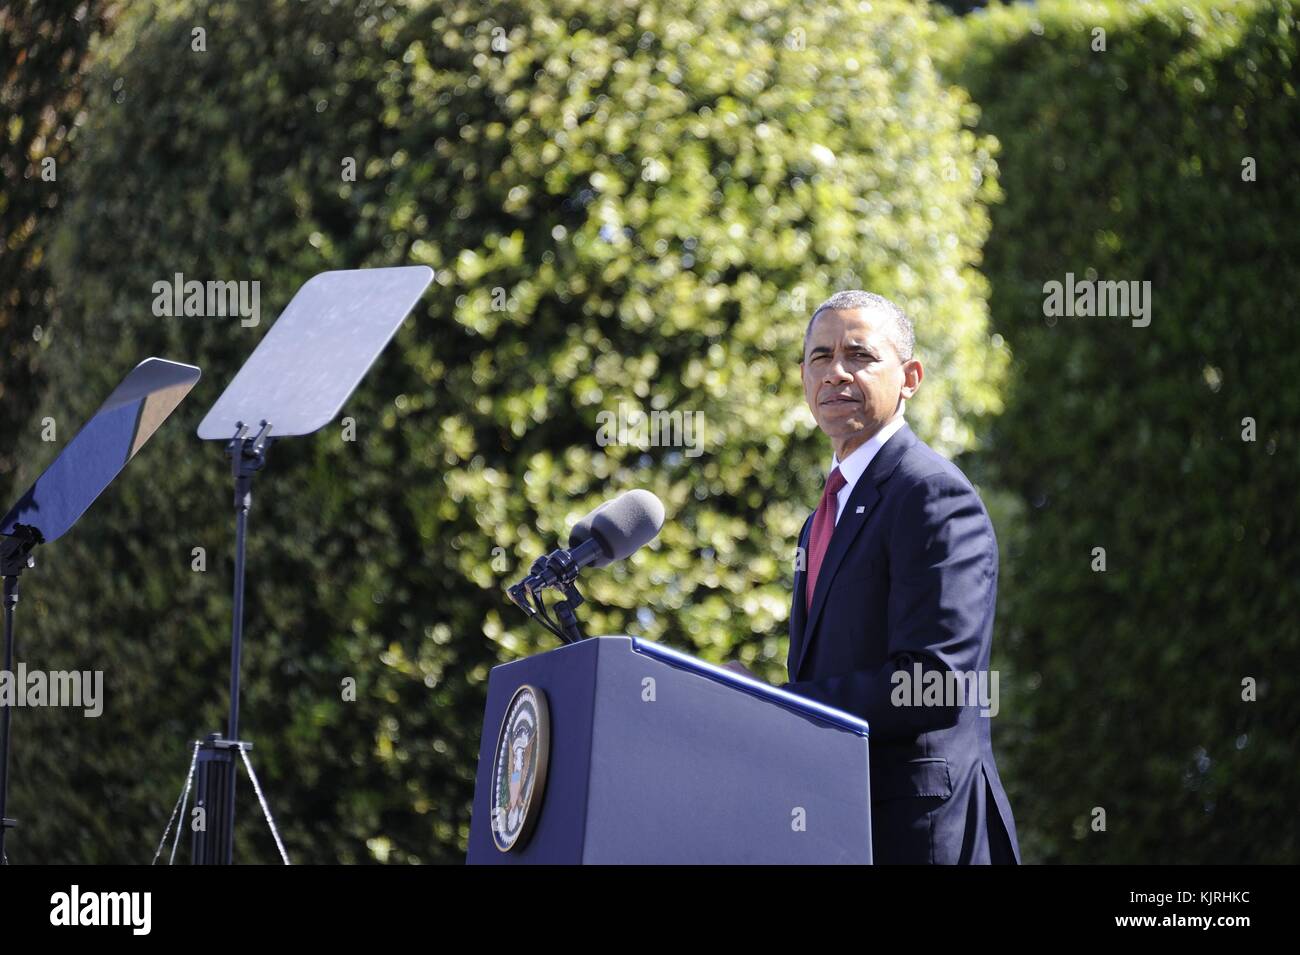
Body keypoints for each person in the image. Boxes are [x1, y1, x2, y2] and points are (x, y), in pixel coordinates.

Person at [777, 289, 1020, 865]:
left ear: (909, 377)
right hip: (837, 825)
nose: (834, 372)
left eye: (859, 355)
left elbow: (933, 684)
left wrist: (771, 704)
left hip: (919, 833)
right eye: (819, 357)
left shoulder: (931, 492)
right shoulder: (822, 517)